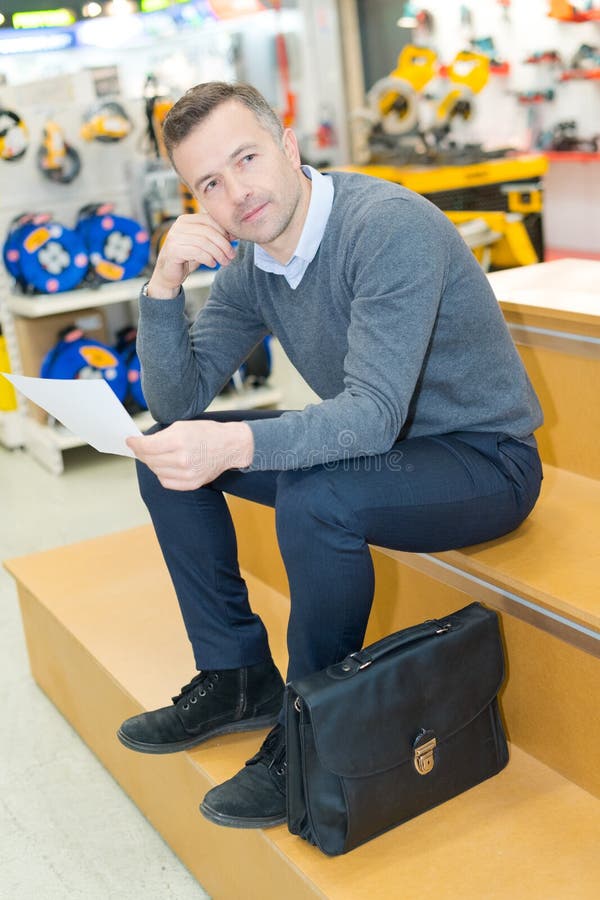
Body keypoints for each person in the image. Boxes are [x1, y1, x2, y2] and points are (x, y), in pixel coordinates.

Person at [117, 81, 543, 830]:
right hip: (382, 448)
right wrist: (162, 286)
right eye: (209, 183)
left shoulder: (386, 227)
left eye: (246, 158)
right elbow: (176, 403)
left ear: (288, 146)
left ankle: (309, 731)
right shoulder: (254, 263)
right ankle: (237, 677)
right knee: (169, 454)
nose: (237, 193)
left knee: (319, 501)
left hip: (483, 458)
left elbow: (372, 416)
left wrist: (237, 440)